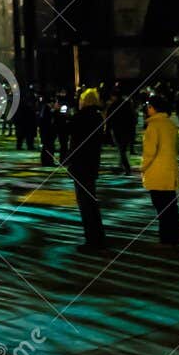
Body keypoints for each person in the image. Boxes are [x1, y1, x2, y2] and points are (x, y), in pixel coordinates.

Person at [67, 88, 107, 250]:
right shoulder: (98, 117)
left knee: (85, 204)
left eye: (81, 99)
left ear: (85, 101)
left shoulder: (81, 117)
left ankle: (92, 240)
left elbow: (67, 131)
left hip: (80, 165)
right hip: (92, 163)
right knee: (91, 202)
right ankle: (98, 236)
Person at [141, 91, 179, 246]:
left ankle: (166, 238)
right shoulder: (170, 124)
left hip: (156, 172)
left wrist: (143, 167)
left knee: (161, 207)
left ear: (154, 108)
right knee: (171, 206)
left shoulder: (153, 126)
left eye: (149, 106)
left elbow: (149, 152)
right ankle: (174, 237)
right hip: (170, 171)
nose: (147, 109)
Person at [108, 86, 137, 174]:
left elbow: (109, 118)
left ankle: (127, 168)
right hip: (127, 129)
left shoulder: (113, 105)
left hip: (118, 130)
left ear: (114, 96)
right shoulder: (127, 104)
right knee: (122, 149)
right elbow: (133, 117)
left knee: (121, 150)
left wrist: (108, 129)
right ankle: (121, 166)